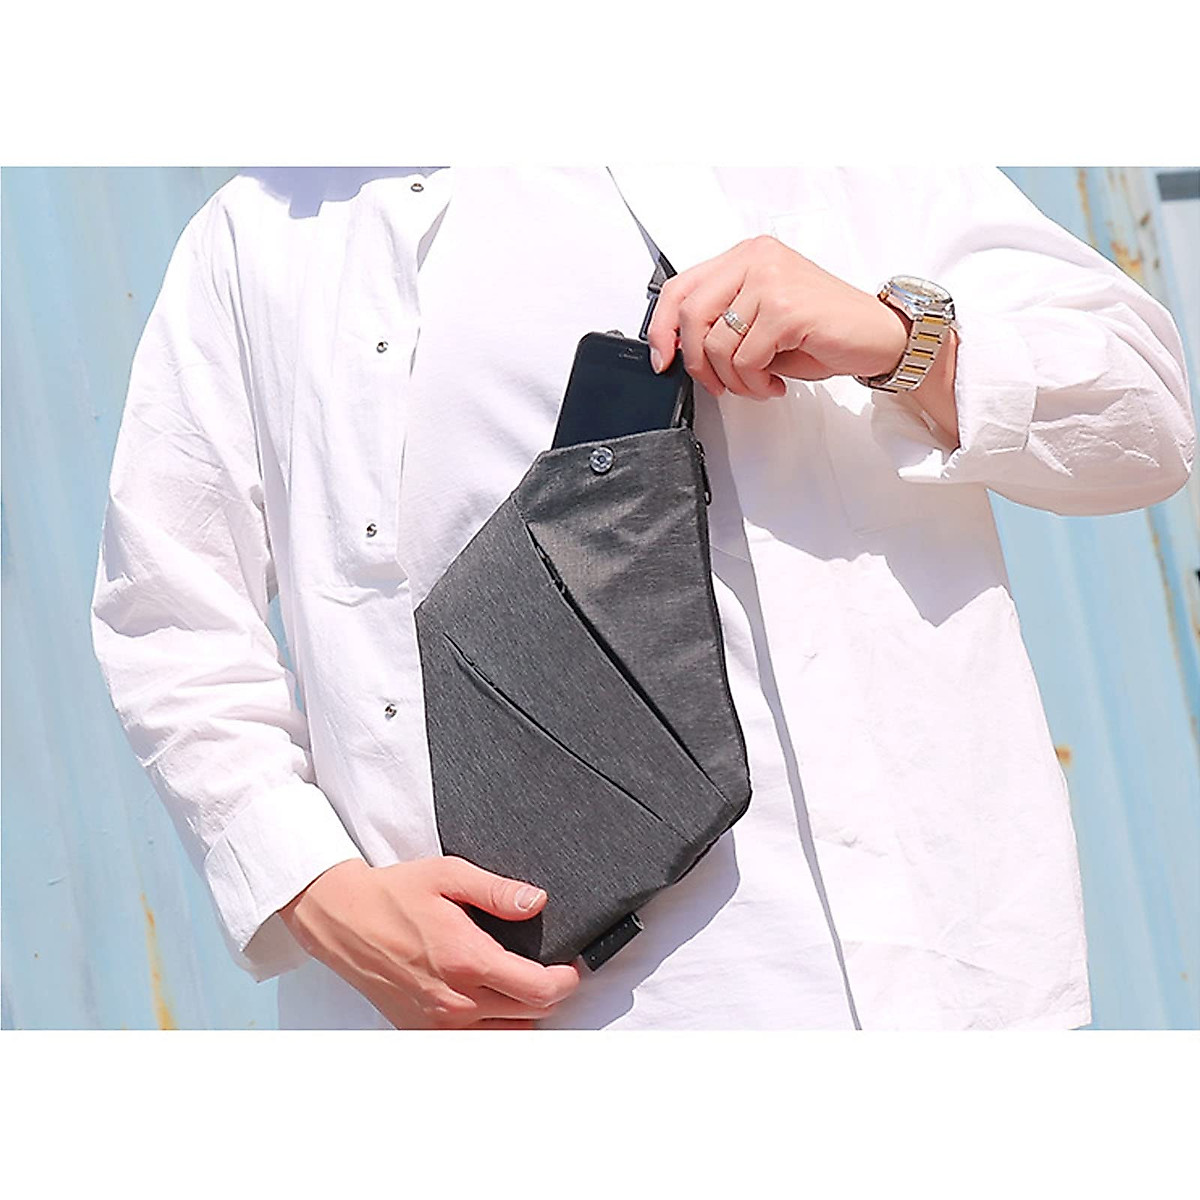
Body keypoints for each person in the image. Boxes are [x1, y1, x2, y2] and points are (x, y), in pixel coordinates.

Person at [90, 166, 1194, 1030]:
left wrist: (902, 341)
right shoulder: (255, 237)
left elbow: (1146, 416)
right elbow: (169, 616)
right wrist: (320, 897)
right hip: (503, 1029)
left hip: (886, 992)